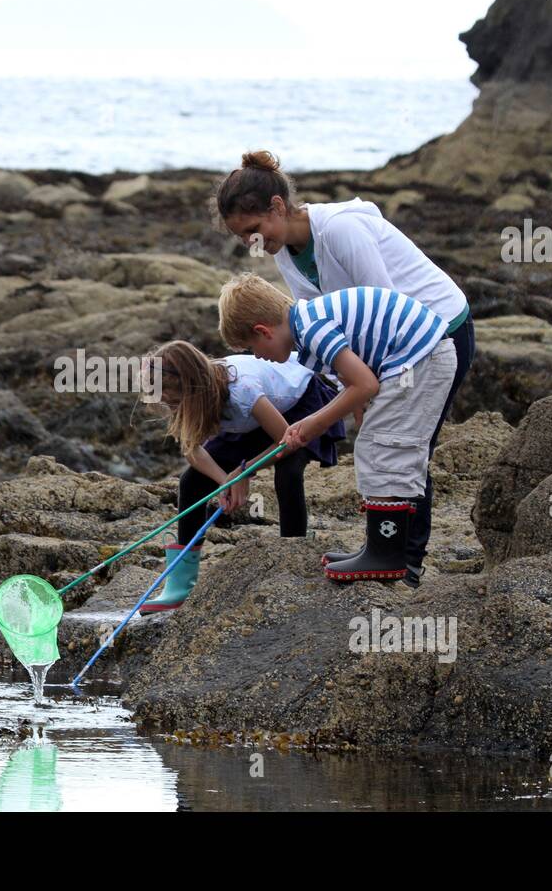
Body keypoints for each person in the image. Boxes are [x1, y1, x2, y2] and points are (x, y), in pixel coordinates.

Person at [211, 150, 475, 587]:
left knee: (403, 446)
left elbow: (388, 305)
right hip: (387, 353)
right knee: (383, 444)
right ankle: (384, 550)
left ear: (278, 207)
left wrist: (357, 397)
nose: (253, 244)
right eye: (243, 239)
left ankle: (403, 559)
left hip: (433, 333)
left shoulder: (341, 229)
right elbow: (329, 336)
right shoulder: (284, 256)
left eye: (253, 231)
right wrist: (354, 397)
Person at [217, 273, 456, 584]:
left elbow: (365, 384)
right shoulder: (308, 323)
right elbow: (356, 375)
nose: (257, 356)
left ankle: (386, 554)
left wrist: (316, 420)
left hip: (419, 360)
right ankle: (381, 546)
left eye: (252, 347)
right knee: (376, 447)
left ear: (263, 331)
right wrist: (351, 412)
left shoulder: (312, 329)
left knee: (384, 451)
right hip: (417, 357)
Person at [138, 340, 343, 612]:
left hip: (300, 406)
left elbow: (286, 442)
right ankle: (179, 583)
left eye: (170, 398)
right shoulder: (189, 395)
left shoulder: (242, 389)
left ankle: (291, 558)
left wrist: (245, 472)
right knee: (192, 481)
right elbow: (192, 449)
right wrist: (226, 480)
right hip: (253, 420)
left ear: (189, 383)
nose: (169, 404)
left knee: (288, 472)